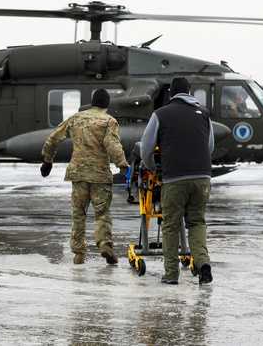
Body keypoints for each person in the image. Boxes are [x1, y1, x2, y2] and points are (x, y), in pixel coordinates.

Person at [40, 88, 129, 266]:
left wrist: (47, 160)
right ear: (107, 104)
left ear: (92, 102)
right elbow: (112, 144)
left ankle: (79, 254)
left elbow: (53, 138)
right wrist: (123, 165)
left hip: (78, 173)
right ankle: (105, 245)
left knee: (78, 214)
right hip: (99, 175)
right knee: (102, 213)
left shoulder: (76, 118)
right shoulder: (109, 121)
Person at [140, 77, 215, 285]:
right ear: (189, 92)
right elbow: (210, 147)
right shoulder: (204, 114)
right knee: (197, 222)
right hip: (202, 177)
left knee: (171, 225)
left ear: (171, 93)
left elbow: (146, 148)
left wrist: (152, 167)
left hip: (174, 178)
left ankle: (171, 274)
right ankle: (203, 263)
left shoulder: (160, 114)